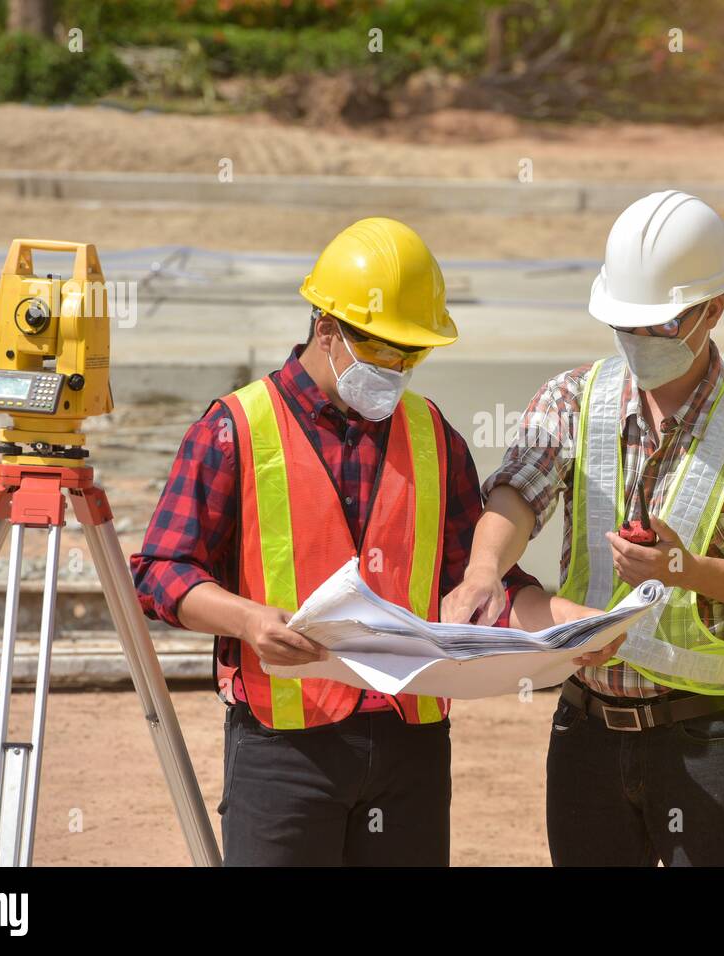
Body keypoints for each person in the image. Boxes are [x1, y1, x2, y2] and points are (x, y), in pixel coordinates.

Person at [131, 217, 557, 866]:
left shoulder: (432, 434)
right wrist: (248, 620)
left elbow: (480, 575)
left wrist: (563, 633)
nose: (400, 368)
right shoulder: (236, 429)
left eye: (413, 353)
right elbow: (160, 570)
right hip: (285, 751)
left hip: (410, 748)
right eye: (386, 350)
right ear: (326, 330)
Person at [442, 190, 724, 866]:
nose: (642, 341)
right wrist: (482, 571)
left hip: (707, 742)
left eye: (661, 325)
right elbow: (518, 493)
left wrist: (688, 570)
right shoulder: (571, 400)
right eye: (628, 325)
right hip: (587, 730)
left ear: (713, 311)